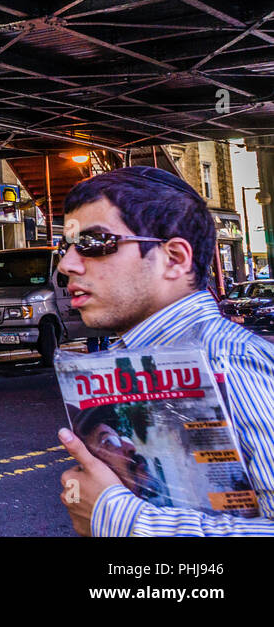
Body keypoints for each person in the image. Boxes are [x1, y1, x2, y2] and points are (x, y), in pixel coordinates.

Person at [55, 166, 274, 535]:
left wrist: (121, 520)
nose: (67, 264)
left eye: (94, 244)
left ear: (173, 258)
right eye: (68, 246)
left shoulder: (230, 360)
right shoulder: (144, 355)